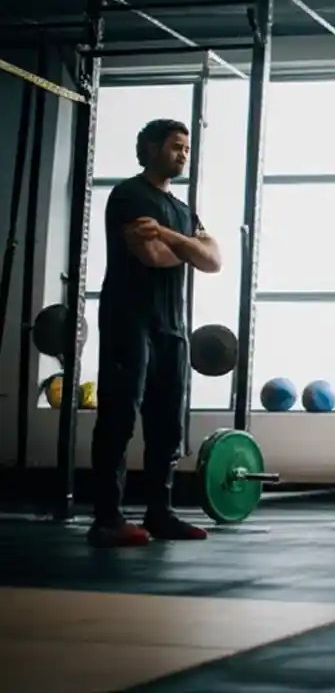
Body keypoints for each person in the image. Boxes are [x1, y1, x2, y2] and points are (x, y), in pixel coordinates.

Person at [87, 119, 222, 548]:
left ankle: (159, 513)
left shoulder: (180, 210)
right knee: (120, 417)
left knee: (166, 424)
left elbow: (213, 259)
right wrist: (187, 247)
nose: (183, 154)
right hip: (130, 320)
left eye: (186, 148)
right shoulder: (129, 195)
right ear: (149, 148)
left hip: (172, 326)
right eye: (175, 147)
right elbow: (151, 257)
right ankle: (107, 518)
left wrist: (169, 235)